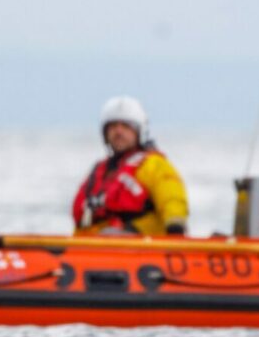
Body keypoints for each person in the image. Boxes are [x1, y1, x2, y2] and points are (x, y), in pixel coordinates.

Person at [72, 96, 189, 236]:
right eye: (113, 126)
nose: (118, 132)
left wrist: (175, 228)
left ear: (139, 131)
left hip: (140, 245)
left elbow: (172, 198)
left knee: (110, 234)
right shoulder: (99, 171)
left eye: (126, 126)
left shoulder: (153, 165)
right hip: (95, 247)